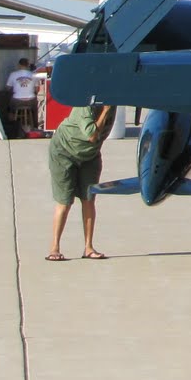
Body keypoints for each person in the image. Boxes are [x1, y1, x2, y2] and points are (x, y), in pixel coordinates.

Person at [47, 103, 115, 261]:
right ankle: (54, 248)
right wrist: (105, 111)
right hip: (64, 152)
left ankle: (89, 247)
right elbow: (91, 135)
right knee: (64, 201)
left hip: (90, 155)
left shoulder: (114, 103)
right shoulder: (84, 105)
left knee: (89, 199)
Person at [8, 58, 39, 135]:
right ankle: (34, 125)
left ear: (19, 65)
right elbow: (37, 89)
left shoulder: (13, 74)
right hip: (31, 101)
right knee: (35, 109)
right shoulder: (33, 75)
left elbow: (8, 87)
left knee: (9, 107)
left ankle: (13, 126)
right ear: (28, 65)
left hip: (17, 101)